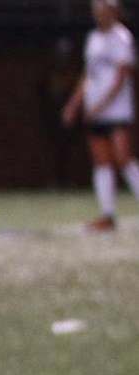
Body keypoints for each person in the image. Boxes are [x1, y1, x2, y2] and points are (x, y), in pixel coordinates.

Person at [62, 0, 139, 232]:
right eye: (97, 11)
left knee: (123, 159)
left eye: (104, 10)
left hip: (116, 110)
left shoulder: (122, 38)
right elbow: (89, 75)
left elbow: (121, 78)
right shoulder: (93, 38)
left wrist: (102, 106)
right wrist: (74, 104)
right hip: (95, 110)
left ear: (114, 12)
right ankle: (107, 215)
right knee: (102, 162)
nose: (100, 15)